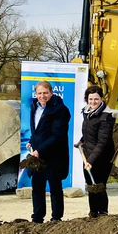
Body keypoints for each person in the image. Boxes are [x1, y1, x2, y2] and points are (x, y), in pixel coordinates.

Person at [26, 81, 71, 223]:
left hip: (54, 155)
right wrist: (32, 142)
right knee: (37, 187)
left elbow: (57, 135)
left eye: (45, 93)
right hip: (37, 156)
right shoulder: (34, 107)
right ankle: (37, 217)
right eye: (39, 93)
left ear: (51, 93)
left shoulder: (60, 110)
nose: (42, 96)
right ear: (36, 94)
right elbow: (37, 130)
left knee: (55, 188)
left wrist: (40, 149)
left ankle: (56, 218)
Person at [77, 85, 118, 218]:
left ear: (101, 98)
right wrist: (81, 141)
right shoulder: (87, 113)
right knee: (91, 185)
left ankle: (102, 212)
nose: (93, 102)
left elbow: (102, 142)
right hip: (89, 154)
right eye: (90, 99)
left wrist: (90, 161)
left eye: (96, 99)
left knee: (99, 184)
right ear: (87, 99)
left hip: (103, 157)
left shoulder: (106, 116)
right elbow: (89, 132)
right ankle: (93, 212)